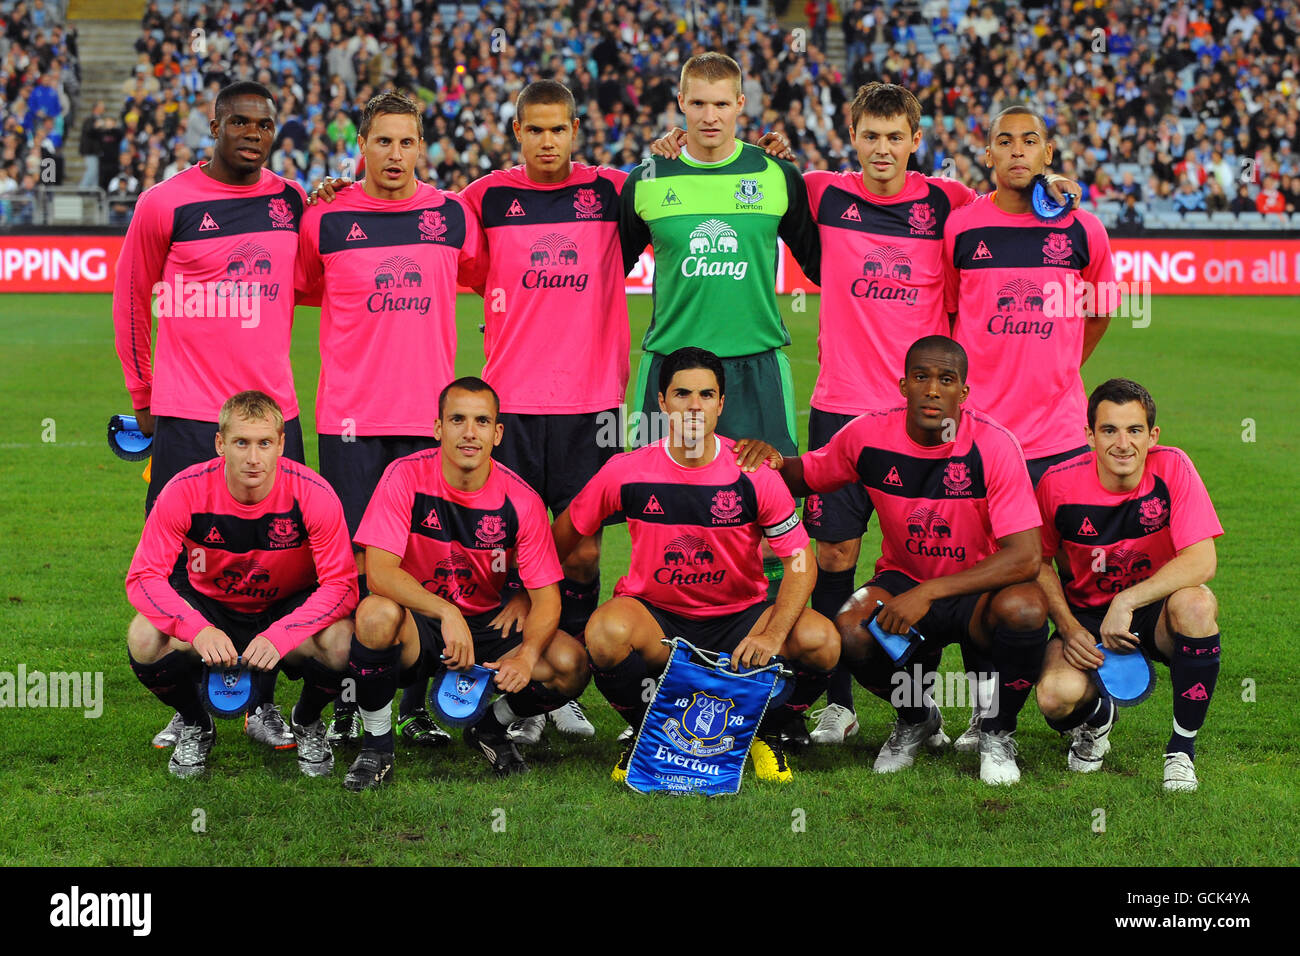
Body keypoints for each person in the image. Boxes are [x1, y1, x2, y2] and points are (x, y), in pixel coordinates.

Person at [114, 80, 309, 752]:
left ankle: (262, 704)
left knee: (283, 564)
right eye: (240, 123)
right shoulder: (165, 202)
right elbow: (134, 299)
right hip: (190, 413)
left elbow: (316, 276)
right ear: (216, 123)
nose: (253, 134)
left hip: (274, 416)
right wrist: (143, 393)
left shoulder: (291, 200)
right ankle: (193, 706)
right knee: (179, 567)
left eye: (265, 125)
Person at [768, 336, 1048, 785]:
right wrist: (771, 461)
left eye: (946, 380)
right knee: (851, 628)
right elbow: (809, 475)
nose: (932, 390)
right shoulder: (866, 434)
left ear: (964, 393)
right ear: (903, 385)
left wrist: (930, 592)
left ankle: (996, 731)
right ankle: (917, 717)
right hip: (902, 579)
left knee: (1026, 608)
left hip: (976, 589)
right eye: (921, 377)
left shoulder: (993, 444)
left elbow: (1026, 557)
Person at [553, 348, 840, 784]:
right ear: (662, 402)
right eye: (682, 394)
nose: (694, 406)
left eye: (706, 394)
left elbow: (800, 562)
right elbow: (561, 538)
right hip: (658, 620)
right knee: (606, 633)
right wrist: (524, 590)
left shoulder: (754, 472)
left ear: (721, 404)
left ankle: (764, 732)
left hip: (739, 618)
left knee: (822, 641)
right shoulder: (626, 471)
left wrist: (771, 633)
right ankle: (647, 732)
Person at [296, 89, 484, 751]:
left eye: (408, 141)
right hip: (349, 421)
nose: (396, 154)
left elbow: (490, 278)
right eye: (383, 141)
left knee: (426, 564)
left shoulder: (452, 216)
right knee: (351, 568)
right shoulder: (324, 220)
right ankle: (351, 700)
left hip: (427, 422)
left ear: (423, 146)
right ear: (361, 146)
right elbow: (297, 290)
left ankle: (416, 705)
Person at [456, 79, 628, 745]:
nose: (548, 141)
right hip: (515, 405)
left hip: (594, 404)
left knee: (582, 549)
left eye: (559, 129)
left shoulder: (611, 192)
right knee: (510, 550)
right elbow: (442, 246)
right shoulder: (487, 198)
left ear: (576, 129)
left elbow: (683, 187)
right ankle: (514, 678)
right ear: (518, 133)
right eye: (535, 130)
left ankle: (567, 682)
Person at [942, 105, 1116, 743]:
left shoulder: (1083, 228)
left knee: (1065, 579)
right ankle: (989, 714)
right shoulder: (961, 228)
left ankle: (1079, 709)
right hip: (984, 436)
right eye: (1003, 141)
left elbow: (1097, 312)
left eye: (1030, 141)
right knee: (989, 577)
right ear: (988, 154)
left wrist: (1061, 369)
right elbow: (953, 317)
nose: (1017, 151)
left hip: (1060, 435)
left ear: (1049, 152)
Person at [343, 378, 589, 789]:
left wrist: (527, 656)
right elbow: (379, 572)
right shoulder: (404, 476)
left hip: (489, 626)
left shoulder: (521, 500)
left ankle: (490, 728)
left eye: (481, 421)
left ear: (498, 433)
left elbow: (547, 598)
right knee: (374, 614)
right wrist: (444, 610)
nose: (469, 432)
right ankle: (377, 746)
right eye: (457, 419)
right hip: (421, 622)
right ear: (439, 427)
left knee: (571, 664)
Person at [124, 391, 357, 778]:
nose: (253, 458)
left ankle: (307, 718)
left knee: (342, 641)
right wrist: (195, 628)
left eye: (265, 443)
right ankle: (196, 722)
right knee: (144, 637)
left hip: (285, 607)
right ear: (220, 444)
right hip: (210, 605)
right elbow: (144, 577)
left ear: (281, 444)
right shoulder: (184, 490)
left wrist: (283, 633)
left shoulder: (314, 494)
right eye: (241, 443)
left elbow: (342, 586)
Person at [1034, 379, 1223, 792]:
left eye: (1134, 430)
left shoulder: (1172, 466)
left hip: (1153, 609)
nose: (1123, 443)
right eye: (1109, 430)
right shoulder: (1057, 484)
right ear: (1089, 435)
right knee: (1054, 697)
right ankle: (1098, 718)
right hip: (1085, 613)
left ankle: (1181, 752)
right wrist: (1068, 626)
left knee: (1197, 604)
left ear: (1152, 435)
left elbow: (1202, 559)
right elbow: (1039, 563)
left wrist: (1128, 599)